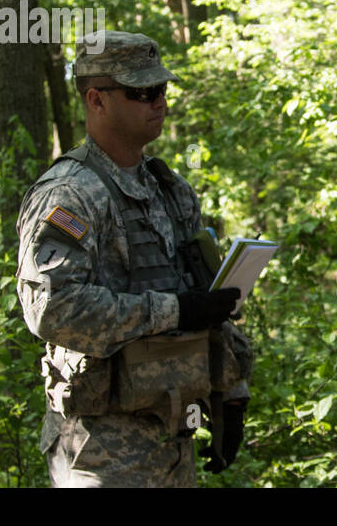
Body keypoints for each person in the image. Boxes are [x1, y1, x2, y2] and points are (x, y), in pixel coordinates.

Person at [16, 30, 252, 487]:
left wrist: (231, 395)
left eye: (161, 89)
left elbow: (209, 300)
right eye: (140, 92)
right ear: (96, 100)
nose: (157, 102)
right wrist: (173, 310)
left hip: (174, 438)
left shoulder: (170, 189)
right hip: (100, 451)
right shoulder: (69, 196)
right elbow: (52, 308)